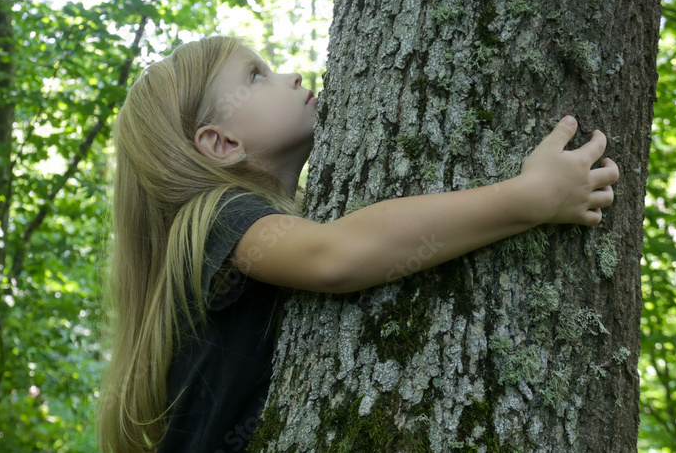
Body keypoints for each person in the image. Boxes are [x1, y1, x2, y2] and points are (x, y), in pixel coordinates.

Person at [94, 34, 619, 453]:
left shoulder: (261, 223)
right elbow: (335, 257)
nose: (290, 75)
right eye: (256, 76)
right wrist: (529, 198)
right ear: (221, 144)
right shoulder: (216, 218)